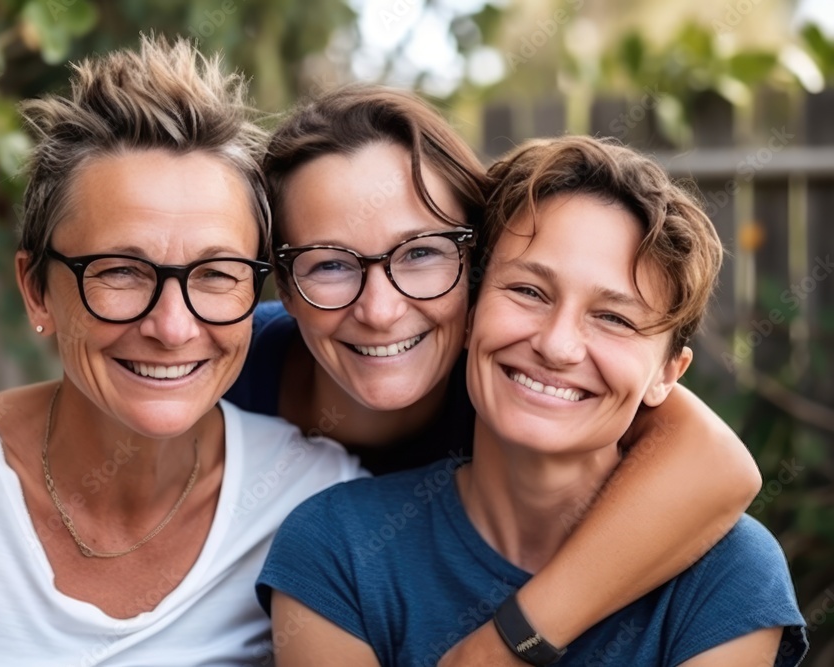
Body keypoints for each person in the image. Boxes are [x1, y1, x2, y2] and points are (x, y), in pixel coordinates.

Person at [0, 36, 361, 665]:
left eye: (217, 274)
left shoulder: (315, 500)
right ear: (36, 292)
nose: (172, 326)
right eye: (120, 272)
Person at [226, 86, 765, 661]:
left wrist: (507, 643)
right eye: (330, 264)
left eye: (421, 253)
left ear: (472, 268)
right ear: (283, 284)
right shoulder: (214, 361)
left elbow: (717, 465)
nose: (380, 311)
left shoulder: (525, 376)